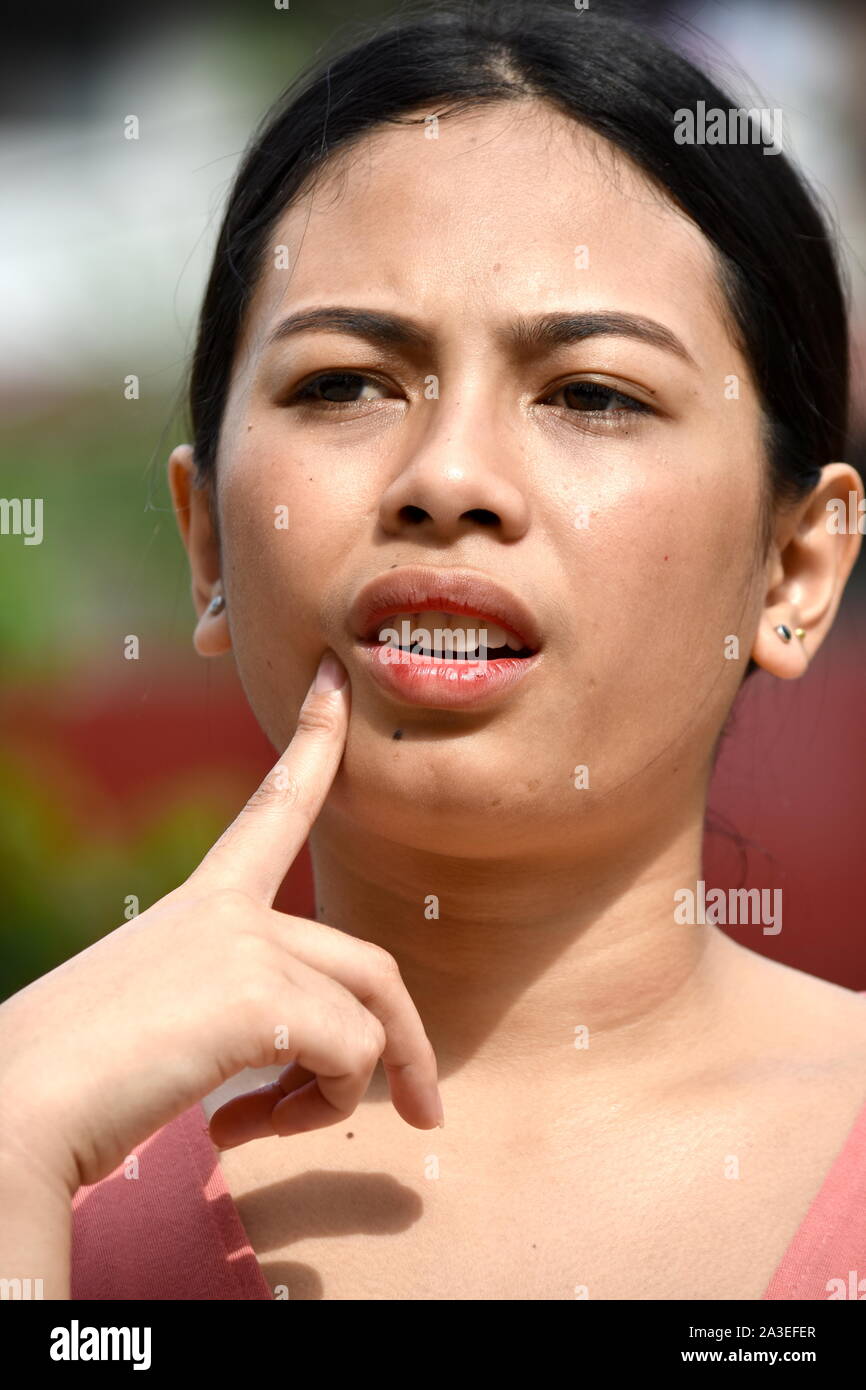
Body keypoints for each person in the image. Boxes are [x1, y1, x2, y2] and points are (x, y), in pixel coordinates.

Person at [2, 0, 865, 1301]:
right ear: (206, 546)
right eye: (342, 382)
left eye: (591, 393)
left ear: (796, 567)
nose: (447, 477)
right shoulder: (47, 1164)